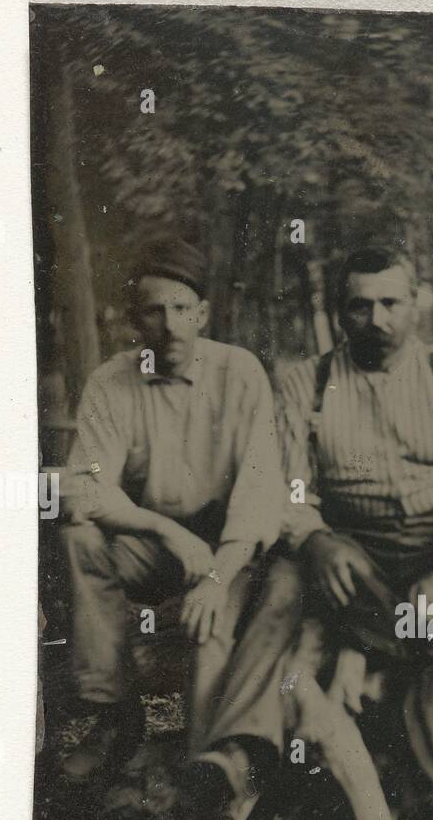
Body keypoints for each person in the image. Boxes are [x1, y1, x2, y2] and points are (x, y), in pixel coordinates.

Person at [181, 244, 433, 820]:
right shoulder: (304, 381)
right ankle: (238, 751)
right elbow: (283, 489)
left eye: (391, 302)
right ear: (338, 313)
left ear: (415, 303)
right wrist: (313, 539)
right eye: (359, 306)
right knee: (280, 587)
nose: (377, 319)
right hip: (343, 545)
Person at [58, 237, 282, 783]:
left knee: (212, 628)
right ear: (136, 318)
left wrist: (216, 576)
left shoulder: (240, 373)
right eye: (156, 311)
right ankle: (113, 716)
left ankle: (202, 767)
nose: (172, 326)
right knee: (79, 537)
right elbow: (84, 489)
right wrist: (163, 530)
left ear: (203, 314)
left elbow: (259, 494)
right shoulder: (113, 381)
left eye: (183, 309)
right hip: (154, 541)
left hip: (227, 542)